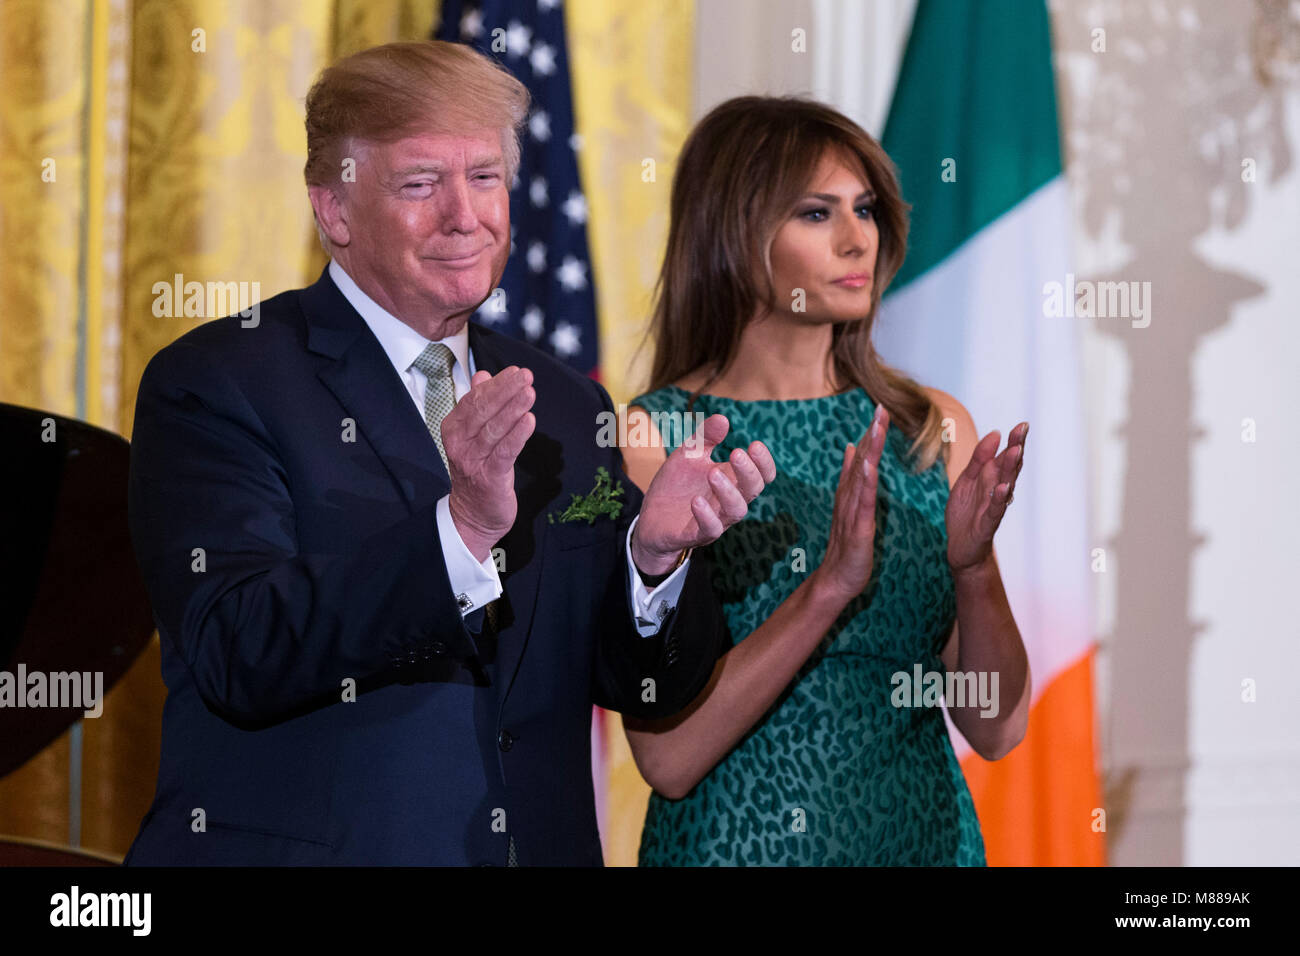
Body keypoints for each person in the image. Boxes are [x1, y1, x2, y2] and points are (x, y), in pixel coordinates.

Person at [123, 41, 775, 866]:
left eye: (485, 177)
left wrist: (653, 562)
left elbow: (638, 687)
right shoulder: (219, 383)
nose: (464, 216)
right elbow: (238, 651)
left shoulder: (566, 404)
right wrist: (459, 529)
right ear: (335, 210)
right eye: (420, 184)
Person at [621, 96, 1031, 866]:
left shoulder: (929, 427)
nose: (856, 238)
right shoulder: (657, 439)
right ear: (734, 233)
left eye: (865, 210)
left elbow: (998, 727)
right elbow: (668, 759)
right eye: (817, 213)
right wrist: (828, 589)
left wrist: (973, 568)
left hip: (924, 846)